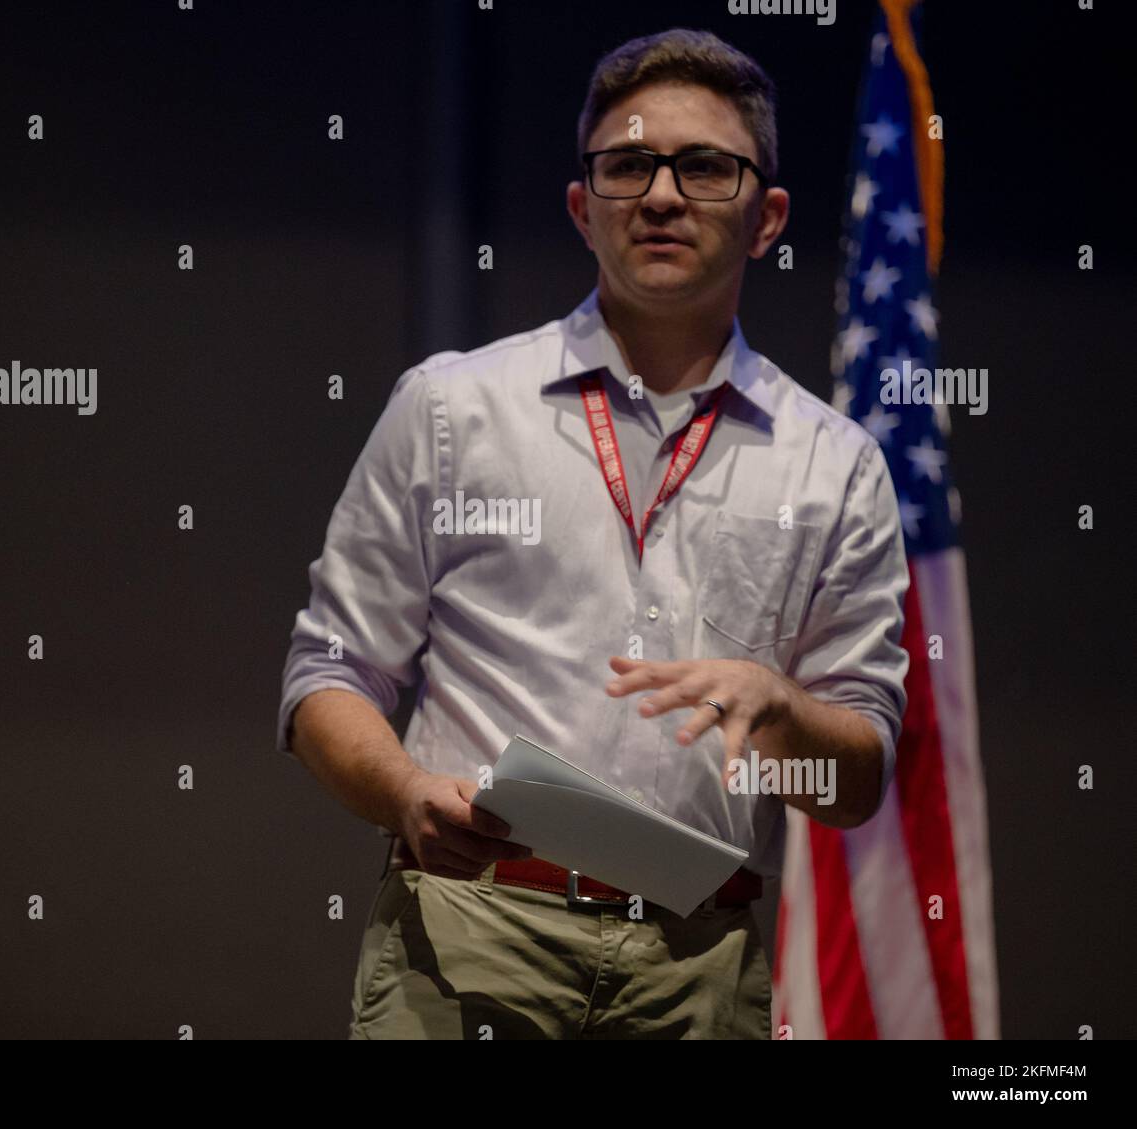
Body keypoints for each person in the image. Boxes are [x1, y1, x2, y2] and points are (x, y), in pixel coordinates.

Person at [276, 26, 909, 1040]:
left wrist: (782, 712)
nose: (661, 194)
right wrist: (401, 790)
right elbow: (327, 677)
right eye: (627, 166)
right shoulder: (451, 408)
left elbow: (853, 784)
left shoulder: (835, 465)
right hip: (472, 925)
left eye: (704, 166)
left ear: (767, 216)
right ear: (583, 207)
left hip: (702, 963)